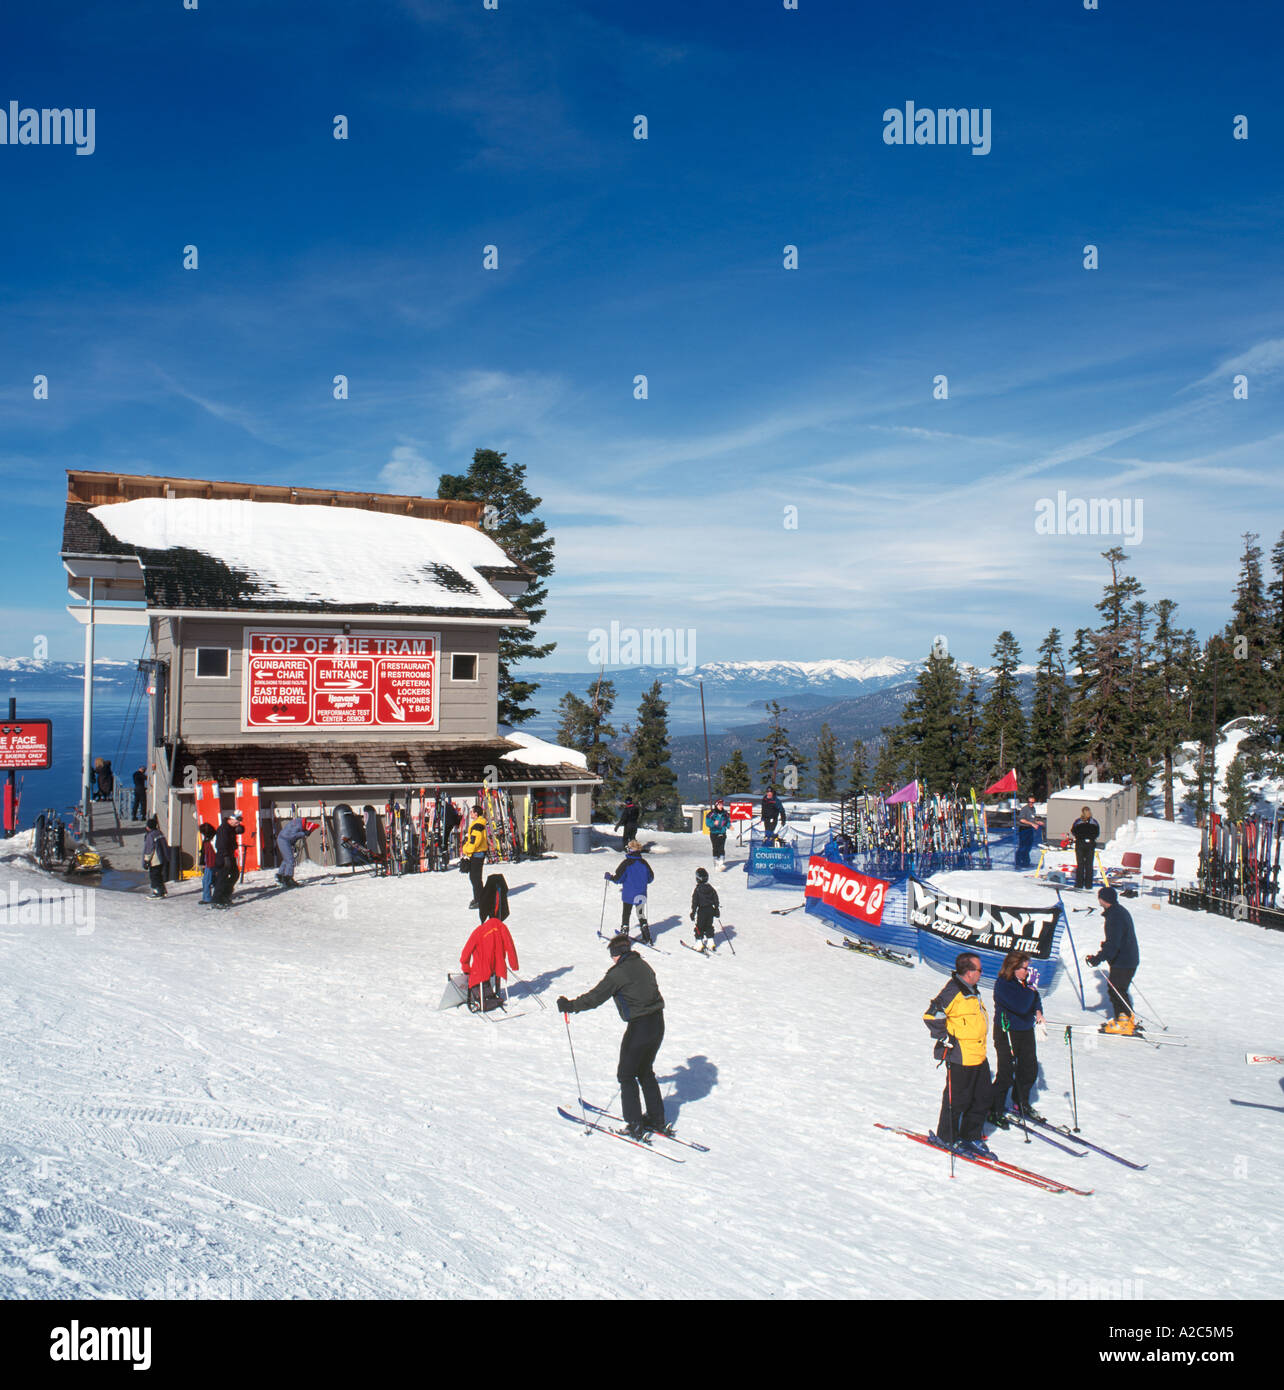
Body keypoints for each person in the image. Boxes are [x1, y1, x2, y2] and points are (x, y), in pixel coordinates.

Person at [557, 934, 670, 1140]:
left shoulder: (618, 973)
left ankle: (634, 1124)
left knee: (626, 1074)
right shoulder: (644, 965)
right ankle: (657, 1119)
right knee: (645, 1071)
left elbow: (596, 997)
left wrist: (570, 1006)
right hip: (658, 1023)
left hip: (640, 1026)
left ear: (617, 954)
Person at [922, 952, 994, 1157]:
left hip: (979, 1053)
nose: (981, 973)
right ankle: (947, 1137)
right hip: (961, 1055)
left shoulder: (972, 990)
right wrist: (945, 1038)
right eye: (979, 970)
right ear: (969, 972)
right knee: (957, 1100)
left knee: (982, 1098)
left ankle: (970, 1136)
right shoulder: (953, 990)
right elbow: (931, 1015)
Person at [989, 952, 1045, 1127]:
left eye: (1028, 968)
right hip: (1007, 1031)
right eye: (1024, 968)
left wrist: (1038, 1010)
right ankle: (994, 1109)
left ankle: (1020, 1102)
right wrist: (1031, 989)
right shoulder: (1003, 985)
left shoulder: (1025, 983)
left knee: (1029, 1068)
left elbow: (1034, 999)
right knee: (1006, 1071)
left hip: (1025, 1029)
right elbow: (1021, 1006)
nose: (1027, 972)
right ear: (1013, 968)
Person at [1086, 885, 1140, 1029]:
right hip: (1126, 958)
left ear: (1103, 899)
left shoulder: (1114, 917)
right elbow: (1116, 940)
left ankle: (1125, 1022)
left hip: (1124, 960)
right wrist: (1105, 950)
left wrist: (1098, 958)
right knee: (1117, 989)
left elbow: (1114, 943)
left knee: (1117, 990)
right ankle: (1125, 1019)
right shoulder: (1118, 912)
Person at [459, 913, 519, 1012]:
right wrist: (514, 964)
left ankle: (483, 1000)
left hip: (481, 968)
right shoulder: (502, 927)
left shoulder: (479, 931)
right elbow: (510, 946)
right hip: (497, 965)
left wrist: (466, 967)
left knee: (479, 976)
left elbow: (466, 951)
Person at [606, 840, 654, 943]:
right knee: (641, 914)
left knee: (626, 914)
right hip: (641, 893)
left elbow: (618, 879)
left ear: (631, 849)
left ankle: (624, 935)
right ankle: (646, 935)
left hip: (629, 894)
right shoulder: (644, 863)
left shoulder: (626, 863)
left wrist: (610, 877)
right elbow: (650, 878)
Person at [211, 809, 244, 910]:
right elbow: (220, 845)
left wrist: (240, 828)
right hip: (223, 856)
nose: (237, 824)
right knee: (222, 877)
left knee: (235, 874)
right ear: (231, 819)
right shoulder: (223, 829)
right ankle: (217, 900)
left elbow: (241, 830)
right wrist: (225, 857)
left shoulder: (231, 828)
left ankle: (225, 895)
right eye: (236, 822)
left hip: (230, 855)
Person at [461, 804, 489, 916]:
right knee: (474, 877)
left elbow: (475, 841)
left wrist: (467, 850)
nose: (471, 814)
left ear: (476, 813)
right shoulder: (478, 823)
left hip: (477, 854)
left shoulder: (478, 824)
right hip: (477, 853)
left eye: (472, 812)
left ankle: (480, 900)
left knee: (475, 877)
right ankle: (479, 898)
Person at [275, 816, 317, 888]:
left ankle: (280, 876)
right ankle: (288, 878)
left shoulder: (296, 824)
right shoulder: (297, 826)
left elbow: (291, 837)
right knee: (290, 860)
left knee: (286, 859)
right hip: (284, 841)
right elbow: (292, 836)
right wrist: (304, 833)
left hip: (283, 840)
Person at [690, 866, 721, 952]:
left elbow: (695, 902)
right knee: (708, 926)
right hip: (710, 910)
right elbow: (715, 898)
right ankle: (711, 943)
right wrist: (716, 908)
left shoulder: (698, 890)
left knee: (699, 926)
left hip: (702, 911)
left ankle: (699, 944)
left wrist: (693, 912)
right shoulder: (711, 888)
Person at [1070, 806, 1100, 889]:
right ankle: (1088, 885)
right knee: (1089, 864)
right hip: (1090, 844)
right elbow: (1097, 833)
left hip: (1080, 843)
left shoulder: (1078, 822)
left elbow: (1073, 831)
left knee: (1080, 864)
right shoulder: (1094, 822)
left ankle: (1079, 884)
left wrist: (1079, 836)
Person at [142, 816, 169, 899]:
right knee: (159, 875)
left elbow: (149, 849)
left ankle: (157, 891)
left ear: (148, 827)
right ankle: (162, 890)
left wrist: (146, 860)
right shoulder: (159, 833)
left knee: (154, 876)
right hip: (162, 858)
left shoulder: (150, 836)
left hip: (155, 860)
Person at [1015, 796, 1043, 869]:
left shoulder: (1033, 809)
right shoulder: (1025, 809)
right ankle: (1018, 862)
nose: (1031, 804)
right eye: (1030, 802)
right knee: (1023, 846)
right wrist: (1032, 824)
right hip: (1024, 828)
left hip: (1030, 829)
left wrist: (1037, 822)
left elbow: (1032, 819)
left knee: (1028, 846)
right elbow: (1021, 820)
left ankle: (1026, 862)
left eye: (1032, 802)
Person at [705, 799, 730, 870]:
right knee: (715, 848)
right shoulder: (711, 814)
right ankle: (716, 864)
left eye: (722, 804)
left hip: (722, 833)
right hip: (714, 833)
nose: (721, 806)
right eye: (719, 804)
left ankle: (721, 863)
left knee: (721, 848)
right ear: (716, 805)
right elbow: (707, 823)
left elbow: (727, 821)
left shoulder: (725, 813)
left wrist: (729, 826)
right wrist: (713, 824)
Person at [198, 822, 217, 904]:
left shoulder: (207, 840)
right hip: (213, 861)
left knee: (206, 881)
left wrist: (202, 863)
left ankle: (207, 898)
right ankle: (219, 895)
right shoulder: (214, 838)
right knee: (215, 880)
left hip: (210, 862)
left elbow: (203, 852)